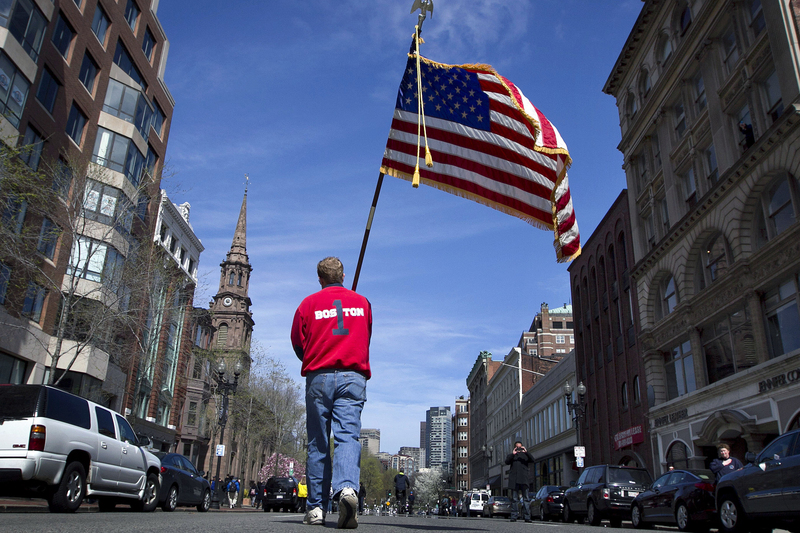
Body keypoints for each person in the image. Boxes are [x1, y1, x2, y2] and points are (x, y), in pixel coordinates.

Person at [291, 257, 372, 529]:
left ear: (320, 279)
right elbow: (365, 336)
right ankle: (347, 490)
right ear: (344, 275)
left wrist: (312, 358)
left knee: (318, 441)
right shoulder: (362, 304)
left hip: (319, 375)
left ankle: (315, 508)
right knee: (347, 435)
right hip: (352, 376)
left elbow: (297, 341)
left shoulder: (307, 304)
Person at [505, 441, 534, 522]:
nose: (519, 449)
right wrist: (512, 454)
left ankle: (527, 517)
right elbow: (506, 461)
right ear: (515, 448)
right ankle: (514, 516)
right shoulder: (512, 456)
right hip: (514, 480)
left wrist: (526, 452)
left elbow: (533, 460)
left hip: (524, 480)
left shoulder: (525, 456)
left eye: (520, 447)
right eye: (517, 447)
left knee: (526, 499)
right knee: (514, 499)